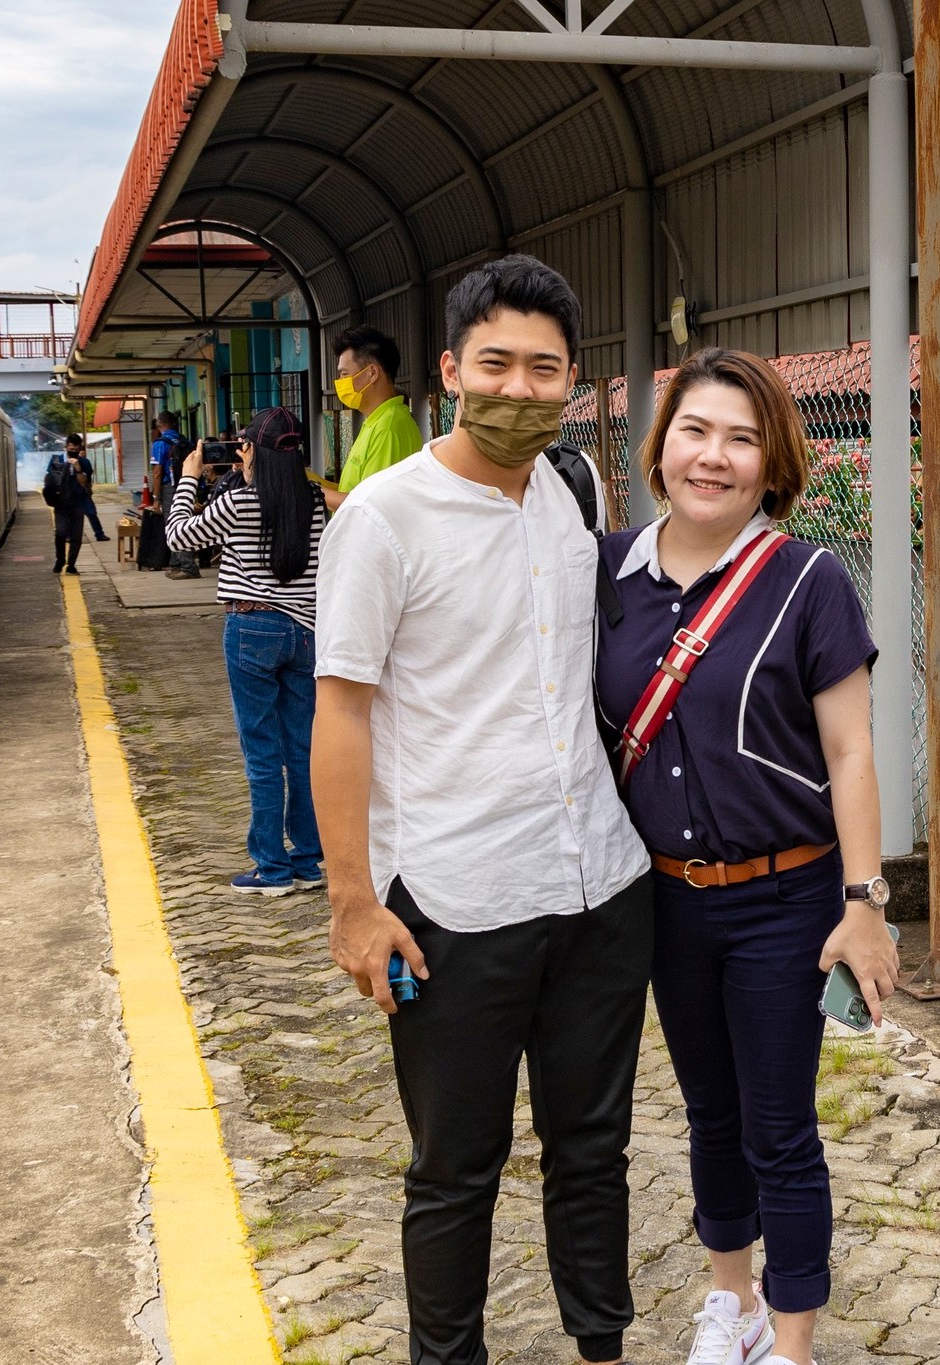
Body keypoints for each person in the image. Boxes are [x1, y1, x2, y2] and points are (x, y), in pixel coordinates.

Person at [312, 254, 652, 1365]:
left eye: (543, 370)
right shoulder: (383, 517)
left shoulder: (568, 495)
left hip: (598, 886)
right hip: (455, 903)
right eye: (494, 364)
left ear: (572, 384)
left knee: (593, 1148)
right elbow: (342, 714)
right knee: (453, 1169)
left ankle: (599, 1344)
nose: (518, 390)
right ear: (451, 369)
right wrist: (354, 903)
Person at [594, 348, 895, 1365]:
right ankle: (729, 1305)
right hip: (665, 904)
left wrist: (863, 900)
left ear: (771, 463)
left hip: (785, 899)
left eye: (738, 438)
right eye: (693, 431)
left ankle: (793, 1337)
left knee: (778, 1124)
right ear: (659, 446)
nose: (710, 457)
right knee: (708, 1114)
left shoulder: (808, 581)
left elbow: (849, 751)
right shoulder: (607, 576)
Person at [166, 407, 326, 895]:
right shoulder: (315, 499)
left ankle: (271, 870)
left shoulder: (239, 501)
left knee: (261, 753)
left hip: (252, 628)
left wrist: (189, 479)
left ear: (251, 449)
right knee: (302, 750)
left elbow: (179, 536)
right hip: (305, 632)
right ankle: (308, 861)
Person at [324, 324, 424, 512]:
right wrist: (316, 484)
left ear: (372, 373)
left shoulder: (389, 428)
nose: (339, 382)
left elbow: (369, 505)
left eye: (344, 374)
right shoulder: (375, 421)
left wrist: (312, 491)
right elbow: (356, 492)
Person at [151, 411, 202, 579]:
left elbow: (157, 472)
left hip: (170, 489)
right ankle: (176, 564)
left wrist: (155, 498)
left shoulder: (160, 444)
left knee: (174, 525)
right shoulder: (185, 440)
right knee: (184, 521)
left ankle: (188, 567)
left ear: (159, 425)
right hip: (188, 484)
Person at [47, 436, 90, 574]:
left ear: (80, 449)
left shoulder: (84, 463)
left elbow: (84, 483)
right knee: (60, 532)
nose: (73, 452)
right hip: (61, 503)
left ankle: (71, 564)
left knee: (76, 536)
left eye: (76, 450)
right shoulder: (56, 460)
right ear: (66, 447)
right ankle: (60, 559)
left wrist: (77, 467)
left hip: (78, 502)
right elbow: (50, 480)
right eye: (71, 449)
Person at [75, 435, 109, 542]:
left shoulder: (84, 462)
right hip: (72, 493)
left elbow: (88, 478)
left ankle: (99, 533)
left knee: (91, 513)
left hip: (83, 492)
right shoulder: (65, 462)